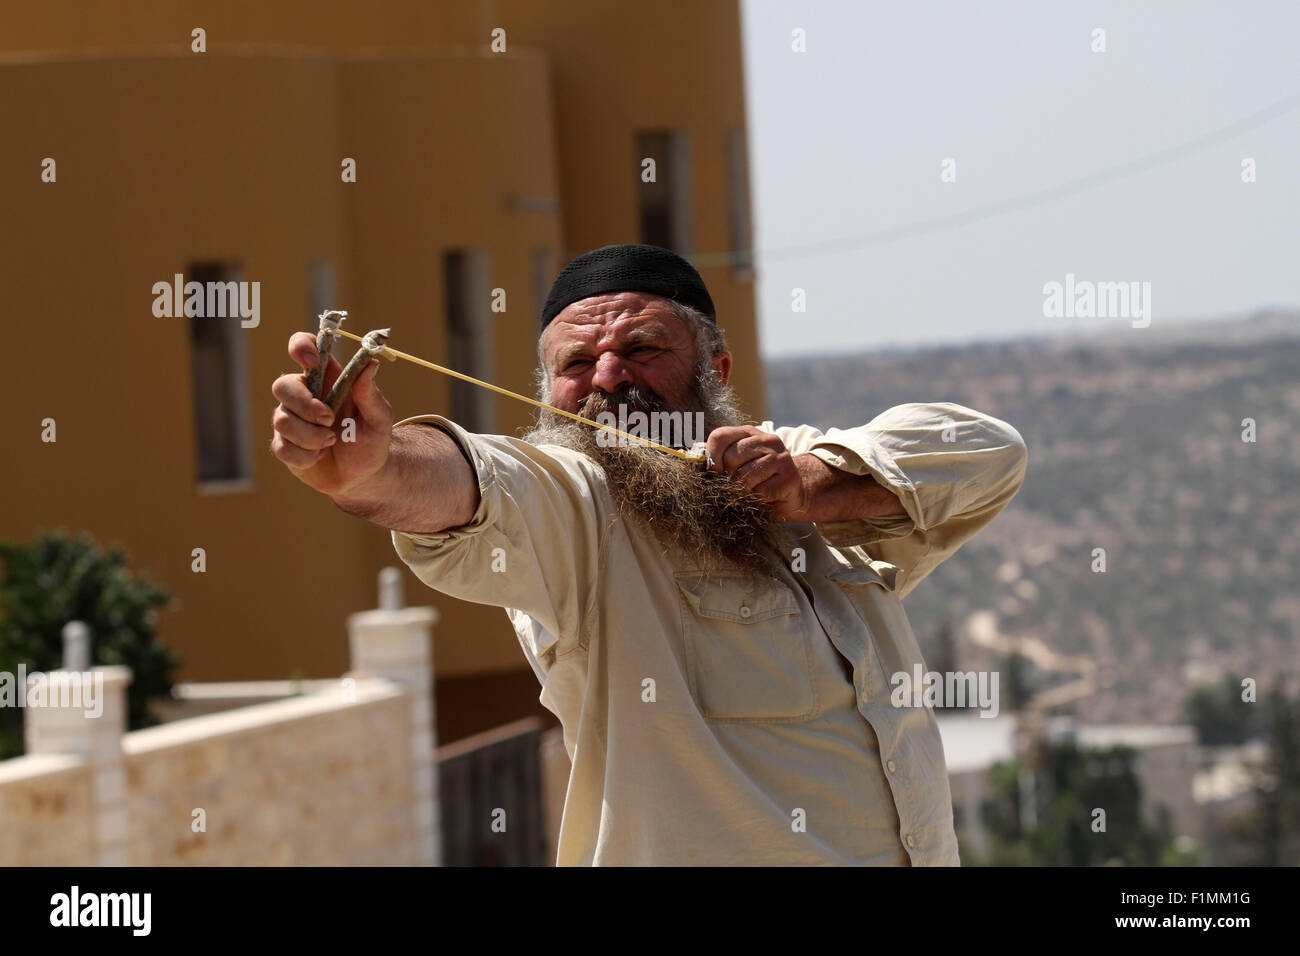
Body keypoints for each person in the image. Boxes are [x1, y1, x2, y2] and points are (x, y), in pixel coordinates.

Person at [270, 243, 1028, 865]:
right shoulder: (578, 508)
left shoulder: (784, 473)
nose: (608, 379)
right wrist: (373, 468)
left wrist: (809, 487)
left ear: (716, 372)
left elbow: (990, 453)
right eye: (576, 365)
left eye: (641, 348)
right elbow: (469, 484)